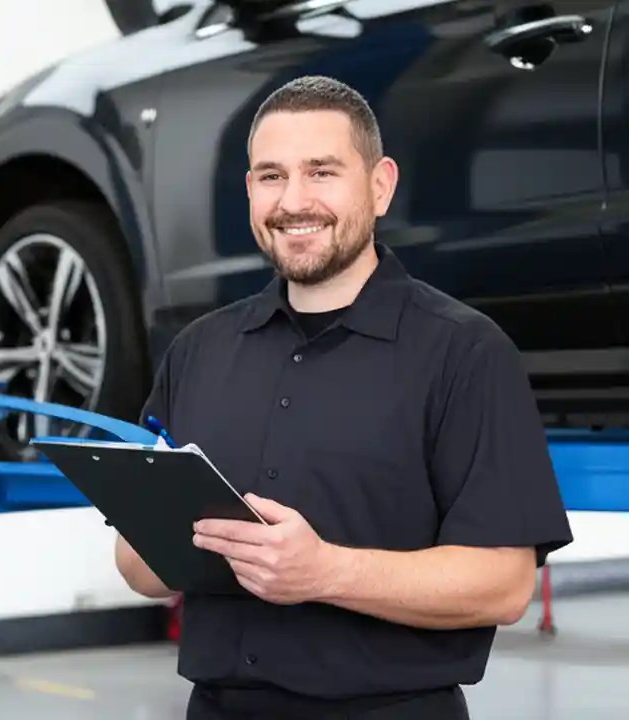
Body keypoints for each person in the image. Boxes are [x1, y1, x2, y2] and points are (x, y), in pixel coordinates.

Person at [114, 75, 574, 719]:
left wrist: (323, 571)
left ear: (380, 185)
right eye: (271, 176)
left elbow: (502, 585)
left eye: (322, 172)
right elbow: (137, 568)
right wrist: (195, 541)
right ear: (249, 192)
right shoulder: (198, 351)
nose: (294, 200)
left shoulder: (465, 353)